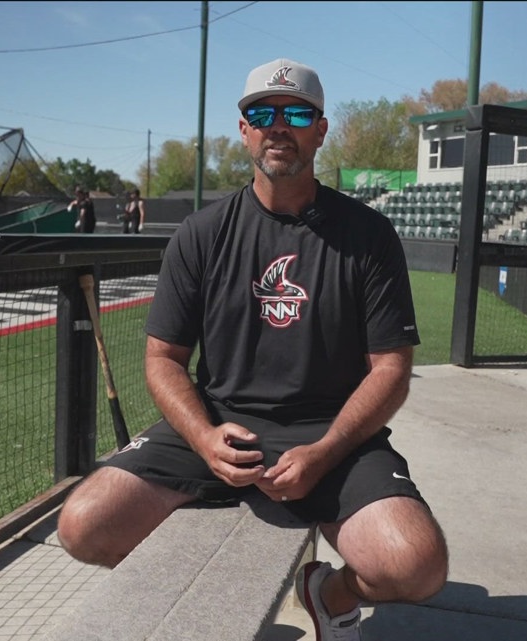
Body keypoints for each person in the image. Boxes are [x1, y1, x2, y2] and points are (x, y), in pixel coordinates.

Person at [55, 58, 448, 640]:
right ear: (244, 129)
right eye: (261, 113)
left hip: (330, 431)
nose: (277, 126)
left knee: (417, 565)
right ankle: (198, 601)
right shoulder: (202, 232)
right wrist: (204, 438)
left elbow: (391, 368)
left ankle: (327, 594)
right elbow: (163, 359)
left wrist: (325, 449)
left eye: (295, 113)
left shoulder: (367, 234)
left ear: (320, 129)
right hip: (220, 424)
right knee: (83, 525)